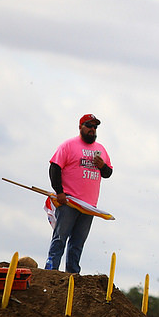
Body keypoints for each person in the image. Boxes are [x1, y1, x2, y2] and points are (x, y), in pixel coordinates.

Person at [44, 113, 113, 274]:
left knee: (78, 241)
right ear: (80, 127)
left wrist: (102, 165)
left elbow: (108, 173)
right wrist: (59, 192)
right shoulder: (68, 145)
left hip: (89, 206)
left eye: (95, 127)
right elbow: (54, 167)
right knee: (61, 236)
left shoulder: (100, 149)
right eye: (89, 126)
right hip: (70, 201)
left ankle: (72, 273)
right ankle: (51, 269)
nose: (92, 130)